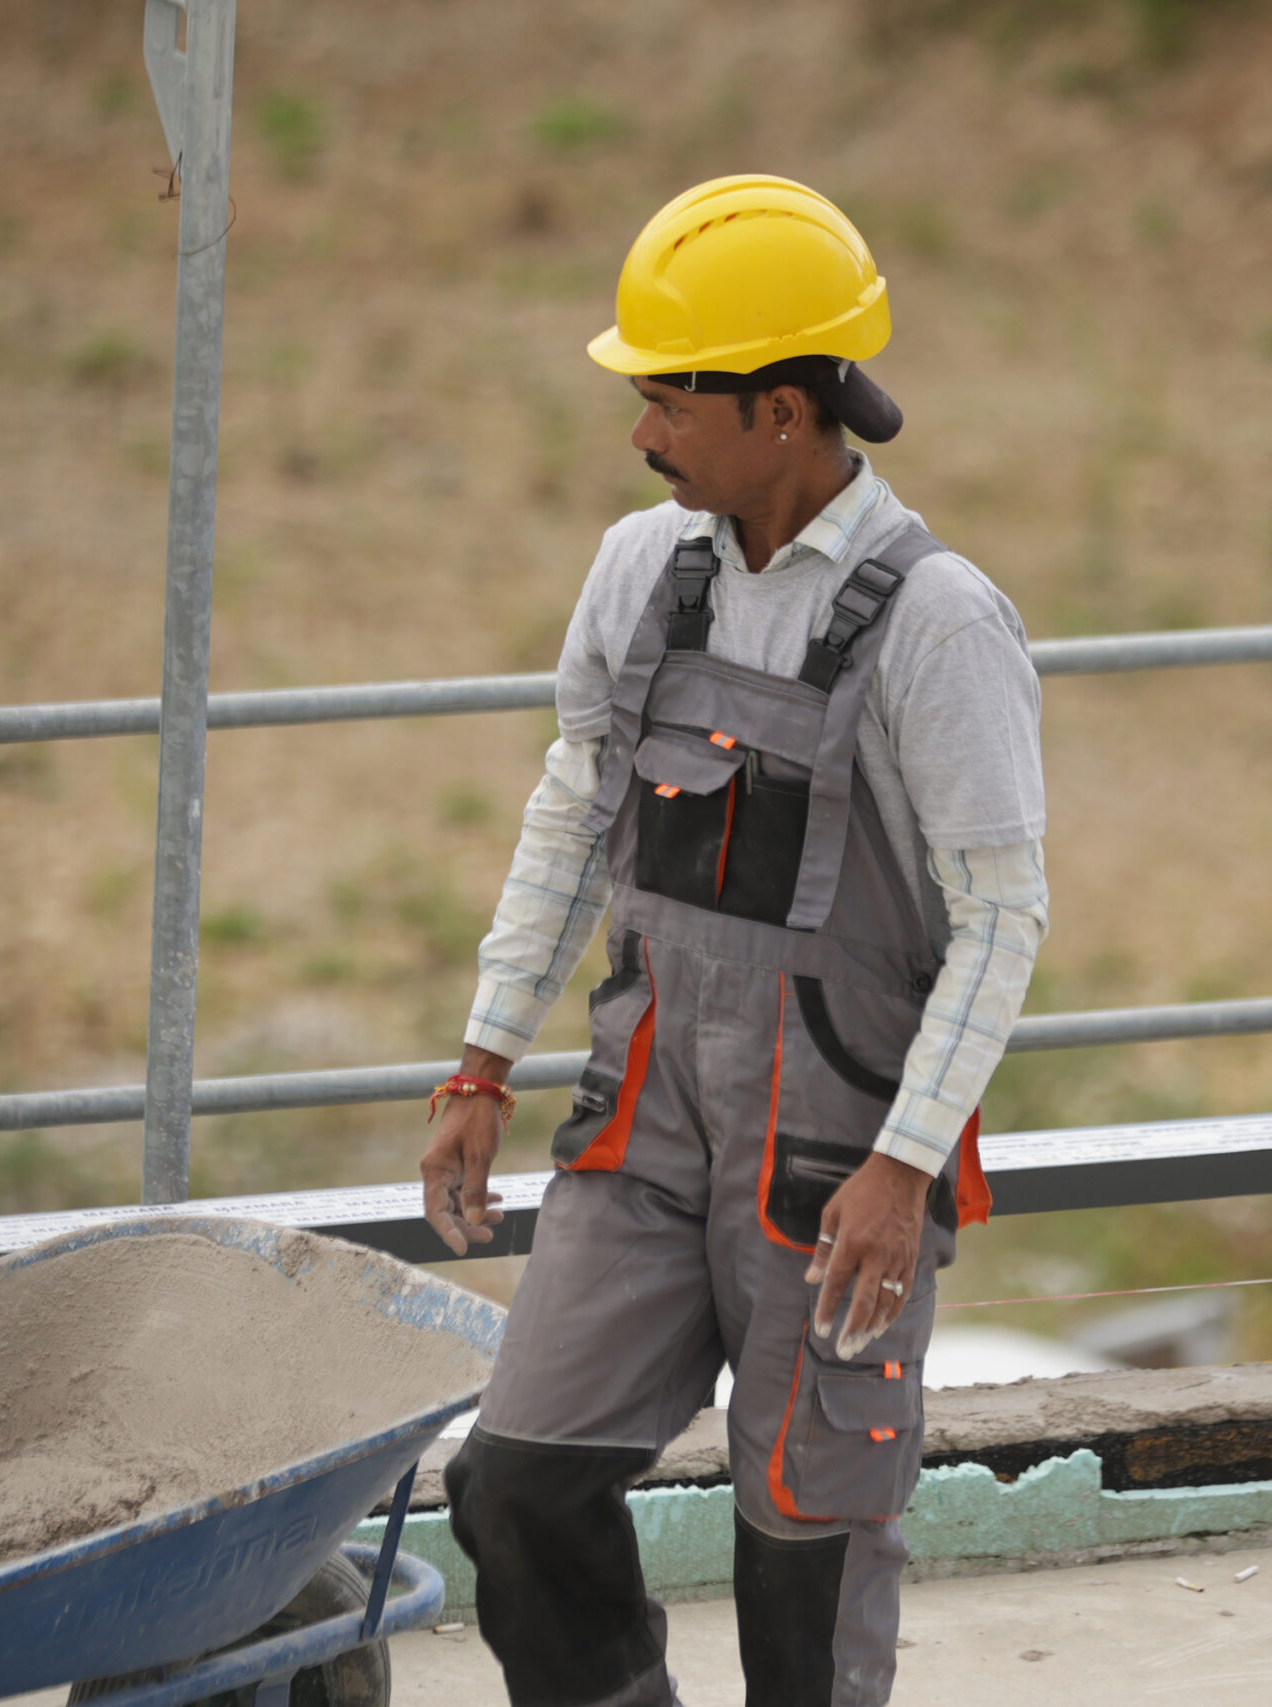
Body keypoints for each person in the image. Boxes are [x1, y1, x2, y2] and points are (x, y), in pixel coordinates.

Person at [417, 176, 1049, 1707]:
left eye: (666, 398)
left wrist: (904, 1166)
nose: (640, 431)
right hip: (644, 1123)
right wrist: (486, 1056)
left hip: (831, 1163)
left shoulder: (940, 628)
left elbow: (1002, 919)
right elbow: (573, 815)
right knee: (513, 1482)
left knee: (805, 1543)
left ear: (779, 411)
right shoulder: (641, 573)